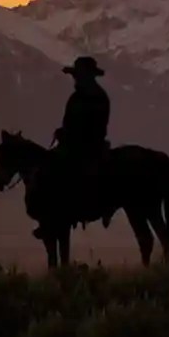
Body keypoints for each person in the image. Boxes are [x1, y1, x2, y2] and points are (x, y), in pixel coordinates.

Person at [33, 56, 112, 239]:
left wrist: (68, 134)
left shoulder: (89, 97)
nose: (76, 79)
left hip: (86, 146)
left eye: (78, 75)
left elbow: (93, 126)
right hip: (82, 143)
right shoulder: (92, 96)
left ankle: (58, 213)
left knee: (56, 170)